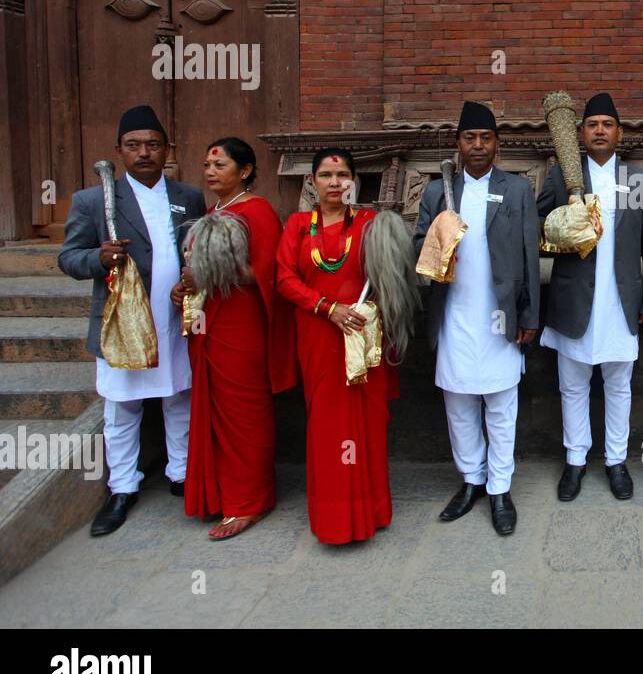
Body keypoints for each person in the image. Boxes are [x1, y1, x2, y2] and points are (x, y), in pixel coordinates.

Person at [59, 105, 206, 536]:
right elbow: (68, 258)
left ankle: (181, 473)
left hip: (174, 316)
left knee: (179, 397)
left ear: (166, 150)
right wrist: (98, 257)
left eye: (153, 145)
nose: (144, 152)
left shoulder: (188, 196)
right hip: (122, 321)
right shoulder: (93, 200)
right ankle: (123, 487)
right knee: (122, 407)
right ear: (119, 151)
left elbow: (195, 247)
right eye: (134, 145)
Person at [413, 101, 541, 535]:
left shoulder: (518, 189)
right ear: (458, 144)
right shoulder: (438, 193)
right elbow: (418, 252)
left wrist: (529, 314)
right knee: (459, 402)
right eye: (470, 138)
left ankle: (501, 488)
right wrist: (435, 237)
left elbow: (529, 255)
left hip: (500, 314)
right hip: (454, 314)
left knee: (502, 403)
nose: (478, 145)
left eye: (486, 138)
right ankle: (472, 480)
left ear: (497, 145)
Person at [537, 93, 643, 501]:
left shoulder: (639, 180)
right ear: (580, 133)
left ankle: (615, 460)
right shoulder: (561, 178)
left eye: (608, 124)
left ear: (619, 133)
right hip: (575, 299)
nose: (600, 131)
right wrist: (562, 225)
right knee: (572, 384)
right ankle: (575, 460)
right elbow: (538, 235)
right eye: (592, 125)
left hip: (621, 301)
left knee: (618, 384)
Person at [171, 137, 297, 538]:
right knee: (213, 411)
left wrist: (207, 275)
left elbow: (268, 275)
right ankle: (220, 494)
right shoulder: (212, 211)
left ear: (244, 171)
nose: (210, 171)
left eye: (220, 164)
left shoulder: (257, 212)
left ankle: (251, 501)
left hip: (243, 327)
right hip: (210, 323)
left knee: (245, 413)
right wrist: (183, 288)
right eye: (207, 164)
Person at [276, 148, 399, 544]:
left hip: (362, 336)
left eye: (343, 175)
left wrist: (372, 306)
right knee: (328, 427)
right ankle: (334, 519)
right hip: (318, 337)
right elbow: (284, 278)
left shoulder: (370, 223)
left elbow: (389, 275)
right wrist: (328, 308)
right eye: (326, 175)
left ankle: (371, 510)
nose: (334, 182)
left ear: (354, 181)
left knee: (367, 423)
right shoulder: (298, 225)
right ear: (312, 182)